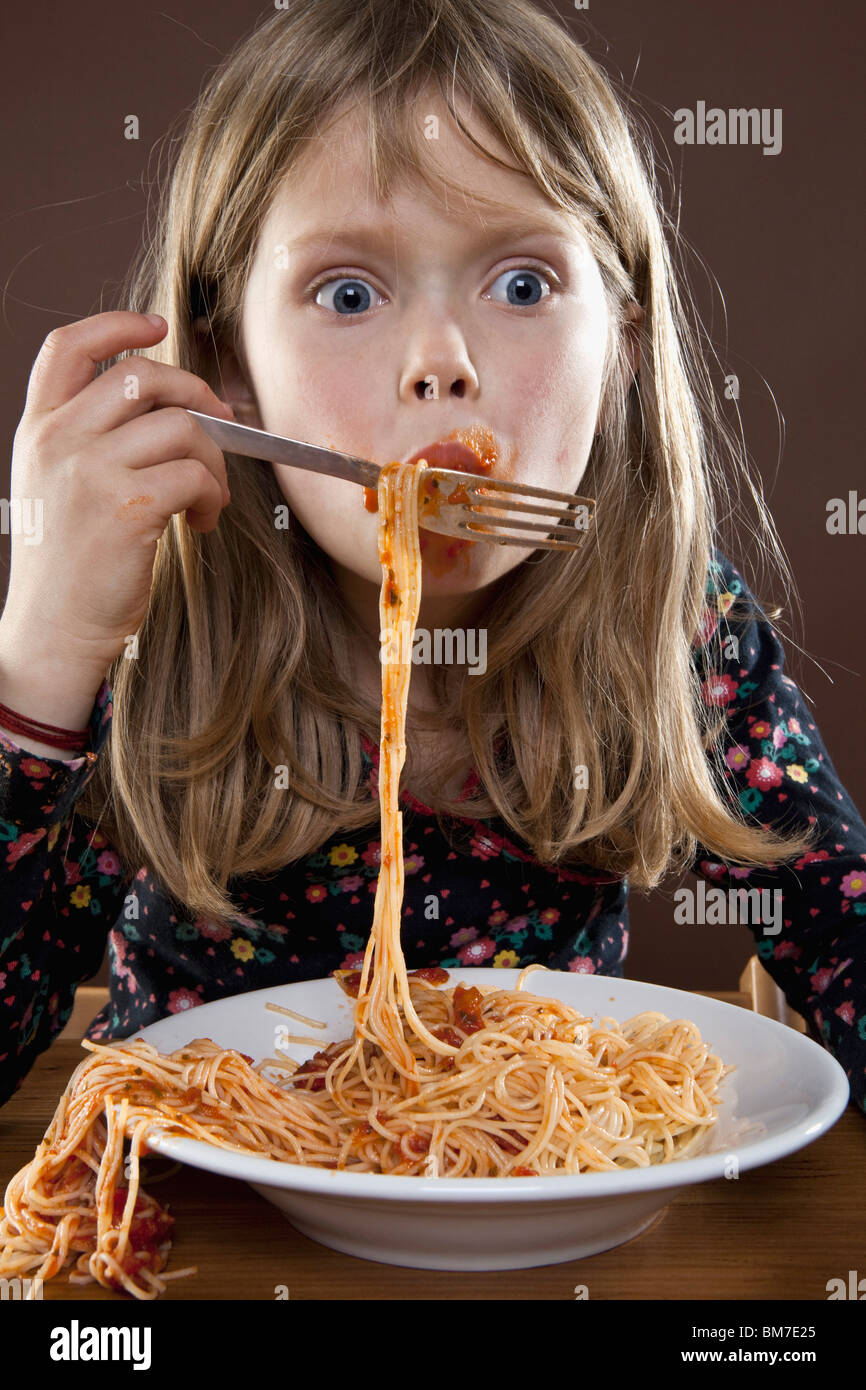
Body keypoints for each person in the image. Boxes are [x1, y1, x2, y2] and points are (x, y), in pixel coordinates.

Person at [0, 0, 863, 1115]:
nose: (441, 363)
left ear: (625, 346)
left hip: (538, 1228)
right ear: (229, 367)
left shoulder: (673, 626)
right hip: (192, 1229)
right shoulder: (145, 627)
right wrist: (44, 652)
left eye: (521, 284)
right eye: (348, 292)